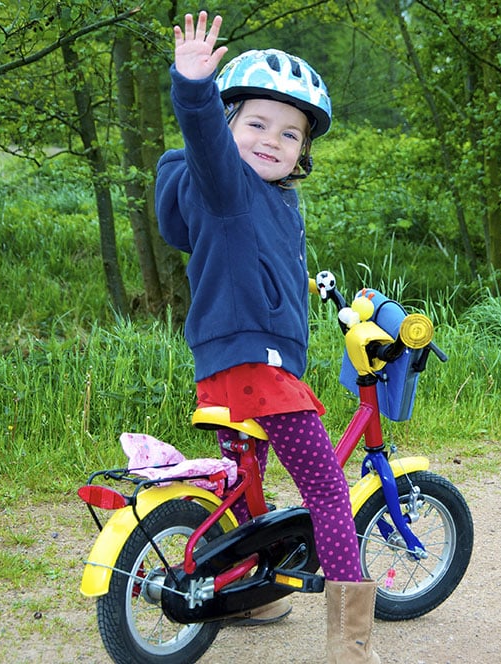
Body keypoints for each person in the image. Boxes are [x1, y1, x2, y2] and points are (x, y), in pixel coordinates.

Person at [155, 12, 379, 664]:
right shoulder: (227, 186)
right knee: (328, 494)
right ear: (226, 128)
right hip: (259, 370)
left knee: (246, 481)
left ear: (303, 151)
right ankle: (352, 644)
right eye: (255, 124)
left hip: (228, 366)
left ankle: (250, 596)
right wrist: (193, 87)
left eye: (289, 133)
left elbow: (262, 267)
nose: (271, 140)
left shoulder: (277, 202)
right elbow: (202, 134)